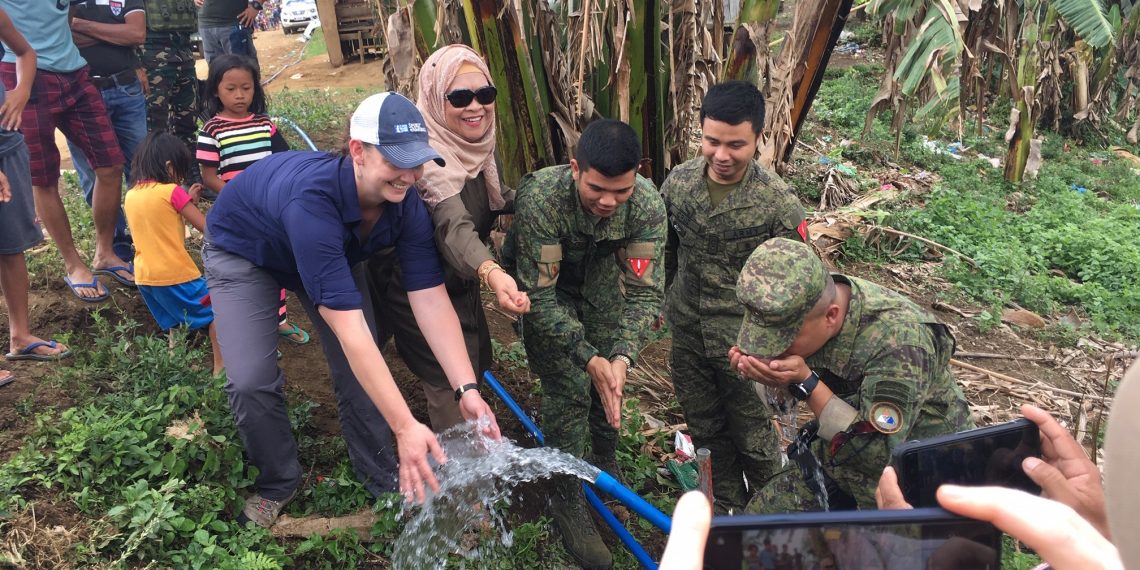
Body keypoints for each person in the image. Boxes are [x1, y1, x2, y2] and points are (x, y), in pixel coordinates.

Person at [203, 91, 501, 528]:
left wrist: (465, 389)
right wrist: (406, 425)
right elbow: (351, 330)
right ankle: (277, 482)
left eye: (417, 161)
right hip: (246, 249)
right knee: (250, 380)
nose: (409, 175)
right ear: (358, 151)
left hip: (328, 252)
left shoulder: (405, 204)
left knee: (359, 364)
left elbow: (430, 298)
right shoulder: (312, 203)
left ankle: (384, 475)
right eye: (396, 161)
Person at [502, 118, 667, 569]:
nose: (609, 202)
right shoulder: (543, 198)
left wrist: (619, 355)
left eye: (622, 190)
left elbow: (646, 290)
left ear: (638, 175)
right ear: (575, 168)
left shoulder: (648, 205)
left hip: (596, 286)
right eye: (597, 189)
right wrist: (587, 357)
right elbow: (538, 295)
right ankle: (566, 495)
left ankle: (605, 465)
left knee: (608, 385)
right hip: (542, 290)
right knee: (569, 390)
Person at [730, 238, 972, 511]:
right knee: (757, 530)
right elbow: (782, 407)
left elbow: (875, 453)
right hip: (839, 456)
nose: (776, 348)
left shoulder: (900, 342)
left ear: (830, 316)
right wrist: (766, 377)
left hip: (914, 472)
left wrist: (806, 384)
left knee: (874, 550)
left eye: (782, 338)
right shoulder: (802, 298)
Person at [662, 80, 807, 514]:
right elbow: (665, 249)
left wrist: (782, 351)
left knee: (754, 435)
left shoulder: (776, 204)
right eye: (712, 141)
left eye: (736, 145)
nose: (722, 156)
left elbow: (800, 287)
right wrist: (660, 304)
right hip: (688, 333)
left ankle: (773, 516)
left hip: (747, 346)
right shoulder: (679, 184)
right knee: (706, 430)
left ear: (759, 138)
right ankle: (726, 506)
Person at [368, 44, 529, 432]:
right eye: (459, 97)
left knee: (472, 363)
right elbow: (452, 225)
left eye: (485, 94)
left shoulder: (476, 147)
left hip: (460, 280)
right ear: (437, 100)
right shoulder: (430, 158)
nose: (475, 107)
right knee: (447, 381)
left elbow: (492, 197)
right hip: (415, 285)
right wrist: (492, 271)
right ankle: (459, 479)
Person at [0, 0, 130, 302]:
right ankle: (73, 264)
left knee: (111, 164)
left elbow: (68, 13)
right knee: (43, 177)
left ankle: (105, 253)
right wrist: (19, 86)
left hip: (75, 72)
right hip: (22, 76)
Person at [196, 54, 308, 347]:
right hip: (237, 213)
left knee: (275, 260)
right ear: (215, 90)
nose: (239, 95)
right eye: (231, 88)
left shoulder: (264, 125)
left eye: (246, 87)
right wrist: (239, 197)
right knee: (247, 267)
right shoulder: (212, 131)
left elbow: (283, 162)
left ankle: (279, 319)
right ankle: (256, 328)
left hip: (268, 211)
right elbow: (209, 177)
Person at [0, 7, 71, 386]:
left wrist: (21, 91)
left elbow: (26, 53)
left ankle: (20, 335)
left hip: (6, 143)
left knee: (11, 247)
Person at [124, 132, 221, 375]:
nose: (181, 178)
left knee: (176, 324)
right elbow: (206, 229)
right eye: (181, 171)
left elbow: (158, 218)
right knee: (219, 312)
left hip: (145, 277)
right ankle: (222, 371)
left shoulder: (132, 194)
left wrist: (188, 202)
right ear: (169, 167)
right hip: (175, 273)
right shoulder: (171, 192)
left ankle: (175, 370)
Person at [68, 0, 149, 266]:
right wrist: (114, 32)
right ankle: (116, 242)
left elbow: (135, 34)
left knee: (140, 167)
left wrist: (83, 25)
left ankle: (149, 236)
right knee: (94, 173)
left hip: (125, 87)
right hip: (80, 92)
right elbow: (64, 34)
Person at [139, 0, 202, 185]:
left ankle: (192, 177)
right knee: (156, 125)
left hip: (184, 51)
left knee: (187, 122)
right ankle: (160, 182)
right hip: (151, 54)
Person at [194, 0, 259, 64]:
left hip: (233, 24)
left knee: (244, 69)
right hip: (206, 26)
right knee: (217, 71)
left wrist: (256, 6)